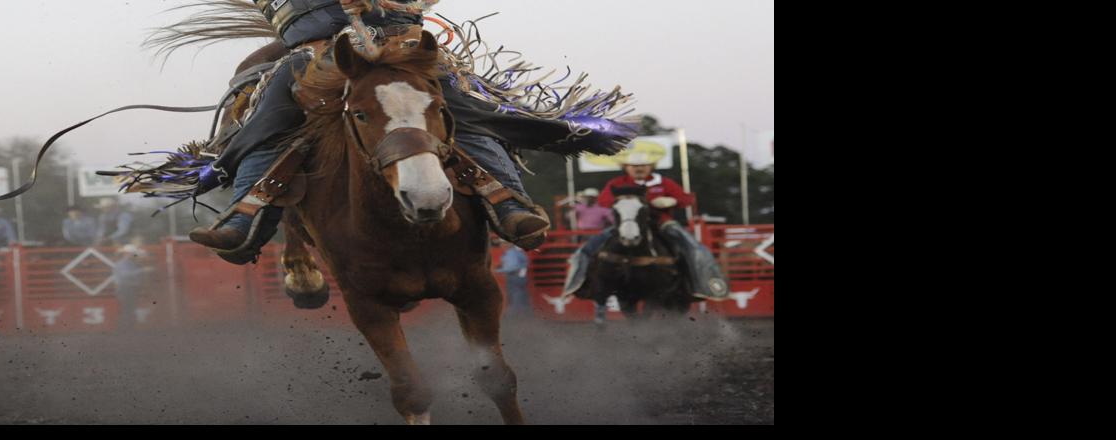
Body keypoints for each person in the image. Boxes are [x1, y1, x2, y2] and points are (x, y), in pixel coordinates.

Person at [188, 0, 560, 264]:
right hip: (316, 53)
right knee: (272, 117)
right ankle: (244, 217)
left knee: (461, 108)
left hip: (401, 43)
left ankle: (508, 202)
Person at [563, 150, 730, 302]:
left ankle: (704, 285)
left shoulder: (663, 182)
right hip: (626, 224)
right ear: (626, 167)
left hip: (662, 222)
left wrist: (673, 200)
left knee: (696, 248)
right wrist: (629, 204)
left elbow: (687, 199)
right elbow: (603, 201)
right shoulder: (617, 184)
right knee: (585, 249)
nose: (639, 169)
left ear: (651, 167)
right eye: (634, 166)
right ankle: (579, 286)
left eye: (643, 165)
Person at [493, 240, 531, 319]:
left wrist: (498, 271)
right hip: (520, 277)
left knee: (515, 296)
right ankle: (527, 316)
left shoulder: (511, 254)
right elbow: (525, 262)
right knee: (522, 297)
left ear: (508, 244)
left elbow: (511, 267)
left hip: (514, 278)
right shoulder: (516, 253)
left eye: (502, 243)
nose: (501, 245)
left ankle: (512, 317)